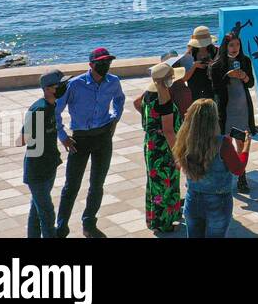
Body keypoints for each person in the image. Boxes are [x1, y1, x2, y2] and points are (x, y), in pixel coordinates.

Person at [54, 47, 125, 238]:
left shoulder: (114, 81)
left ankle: (89, 224)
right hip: (80, 139)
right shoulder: (75, 85)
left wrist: (115, 118)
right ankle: (61, 227)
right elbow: (56, 111)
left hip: (103, 138)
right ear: (91, 64)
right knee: (71, 186)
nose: (106, 65)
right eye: (101, 62)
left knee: (97, 184)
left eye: (108, 62)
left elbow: (119, 99)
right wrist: (63, 136)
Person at [172, 98, 246, 238]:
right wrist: (244, 149)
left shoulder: (184, 140)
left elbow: (179, 165)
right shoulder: (223, 143)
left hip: (192, 198)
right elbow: (238, 169)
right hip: (218, 201)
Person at [133, 61, 184, 234]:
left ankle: (155, 218)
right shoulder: (165, 100)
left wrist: (152, 123)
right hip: (164, 149)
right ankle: (164, 223)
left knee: (154, 184)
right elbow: (169, 131)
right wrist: (178, 155)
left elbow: (136, 102)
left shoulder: (149, 94)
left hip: (151, 145)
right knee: (166, 184)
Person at [20, 69, 66, 238]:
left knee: (37, 209)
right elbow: (22, 139)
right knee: (47, 213)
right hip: (37, 170)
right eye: (59, 85)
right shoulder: (39, 109)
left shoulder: (52, 105)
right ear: (47, 88)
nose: (64, 88)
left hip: (49, 166)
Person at [212, 31, 256, 194]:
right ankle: (223, 175)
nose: (235, 48)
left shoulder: (245, 60)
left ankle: (241, 177)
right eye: (231, 45)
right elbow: (215, 89)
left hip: (242, 109)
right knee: (225, 143)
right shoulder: (217, 65)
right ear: (225, 46)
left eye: (237, 44)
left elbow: (251, 83)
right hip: (226, 111)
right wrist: (227, 76)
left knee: (241, 142)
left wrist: (245, 77)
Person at [171, 25, 219, 103]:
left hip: (213, 89)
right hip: (195, 90)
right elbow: (184, 78)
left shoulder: (216, 51)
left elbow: (221, 73)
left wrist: (213, 65)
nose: (203, 45)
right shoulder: (189, 55)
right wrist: (194, 66)